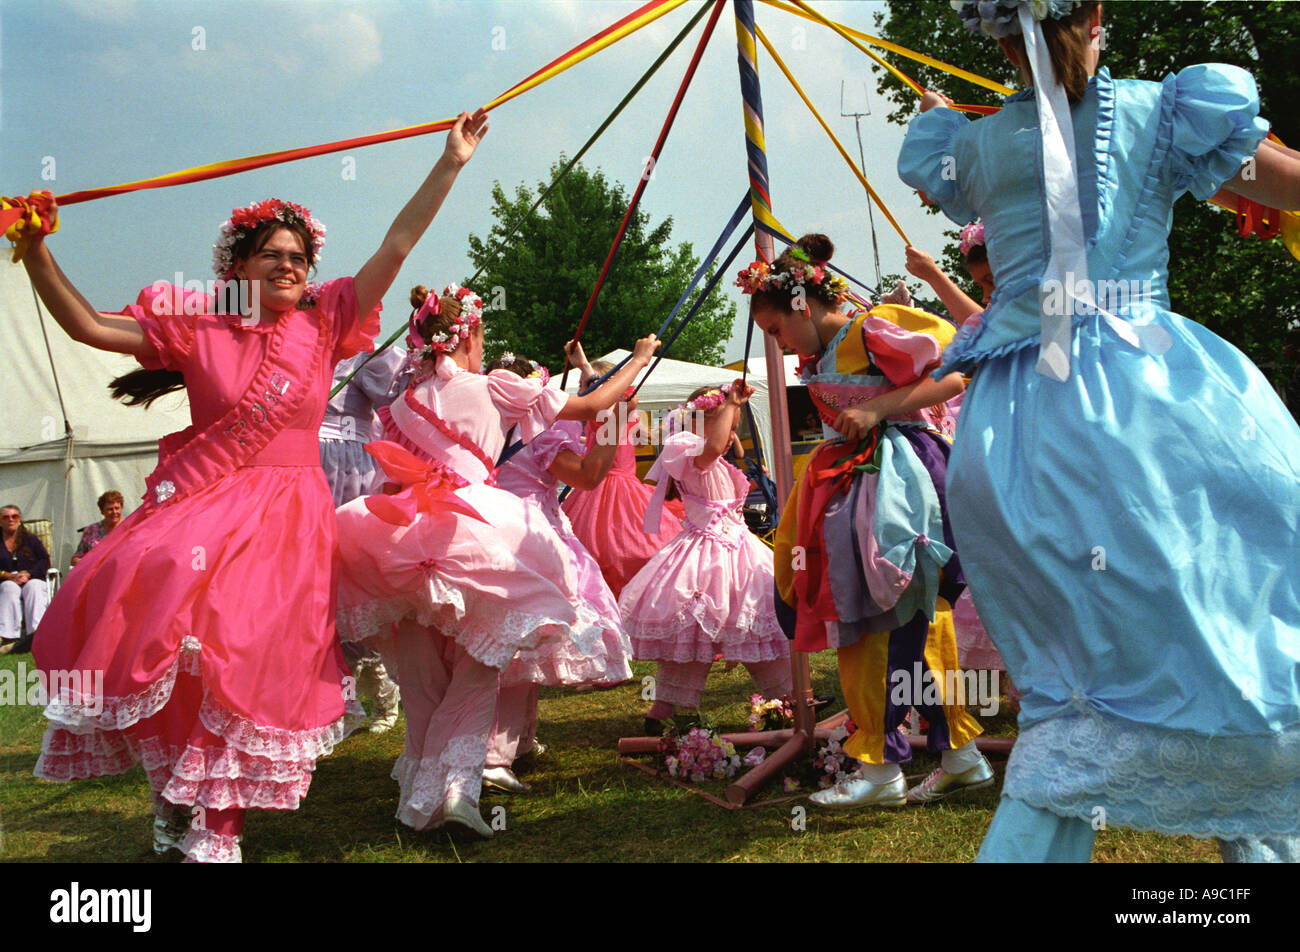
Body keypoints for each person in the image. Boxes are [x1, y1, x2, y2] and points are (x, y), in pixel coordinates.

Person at [18, 108, 490, 862]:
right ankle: (175, 795)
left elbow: (397, 246)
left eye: (299, 255)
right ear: (237, 267)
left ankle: (217, 826)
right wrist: (35, 250)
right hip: (202, 509)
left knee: (246, 666)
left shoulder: (327, 318)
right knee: (177, 645)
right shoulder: (202, 324)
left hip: (288, 523)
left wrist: (451, 162)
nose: (289, 265)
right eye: (271, 254)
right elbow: (86, 326)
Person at [899, 0, 1300, 860]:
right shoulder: (1163, 113)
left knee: (1074, 693)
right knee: (1230, 631)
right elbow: (1285, 182)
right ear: (1096, 11)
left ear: (995, 32)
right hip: (1147, 411)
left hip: (1015, 436)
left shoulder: (965, 145)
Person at [334, 285, 659, 837]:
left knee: (420, 671)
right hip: (478, 532)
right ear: (471, 335)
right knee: (478, 665)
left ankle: (423, 793)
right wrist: (640, 360)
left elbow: (391, 478)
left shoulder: (399, 406)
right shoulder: (496, 387)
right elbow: (595, 405)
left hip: (398, 533)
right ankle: (456, 790)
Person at [745, 234, 990, 810]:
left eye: (777, 330)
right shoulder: (825, 350)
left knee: (887, 610)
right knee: (890, 613)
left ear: (801, 304)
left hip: (898, 483)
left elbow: (957, 374)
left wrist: (878, 407)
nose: (778, 344)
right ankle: (955, 755)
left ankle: (883, 766)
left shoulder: (873, 327)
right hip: (852, 480)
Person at [486, 352, 635, 793]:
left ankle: (519, 742)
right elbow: (588, 476)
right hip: (530, 535)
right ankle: (494, 756)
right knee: (522, 644)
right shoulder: (541, 432)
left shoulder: (487, 420)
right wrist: (614, 424)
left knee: (519, 642)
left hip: (486, 528)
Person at [620, 381, 792, 732]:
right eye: (727, 423)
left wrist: (732, 412)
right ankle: (664, 712)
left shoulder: (712, 451)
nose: (730, 433)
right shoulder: (682, 446)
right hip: (706, 555)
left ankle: (786, 700)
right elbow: (713, 447)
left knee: (756, 629)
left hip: (740, 552)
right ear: (701, 420)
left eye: (733, 425)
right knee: (694, 637)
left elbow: (725, 449)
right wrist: (729, 405)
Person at [320, 349, 411, 733]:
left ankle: (385, 696)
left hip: (347, 468)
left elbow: (397, 394)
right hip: (308, 466)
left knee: (354, 579)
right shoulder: (302, 351)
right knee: (321, 592)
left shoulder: (361, 355)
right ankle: (341, 702)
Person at [562, 349, 686, 598]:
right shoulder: (617, 413)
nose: (581, 389)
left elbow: (632, 434)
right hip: (609, 486)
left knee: (614, 548)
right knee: (610, 549)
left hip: (614, 487)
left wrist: (586, 368)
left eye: (584, 384)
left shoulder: (606, 411)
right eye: (581, 384)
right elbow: (630, 436)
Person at [0, 504, 51, 655]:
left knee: (34, 587)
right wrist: (7, 575)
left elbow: (44, 560)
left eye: (14, 516)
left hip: (31, 577)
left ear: (20, 519)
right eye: (6, 517)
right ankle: (9, 638)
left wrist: (29, 573)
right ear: (0, 521)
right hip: (6, 580)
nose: (11, 519)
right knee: (9, 588)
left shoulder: (30, 539)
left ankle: (35, 635)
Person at [69, 490, 124, 568]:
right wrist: (88, 562)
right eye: (110, 509)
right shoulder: (90, 530)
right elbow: (75, 559)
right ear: (102, 511)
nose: (114, 512)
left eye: (117, 508)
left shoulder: (130, 528)